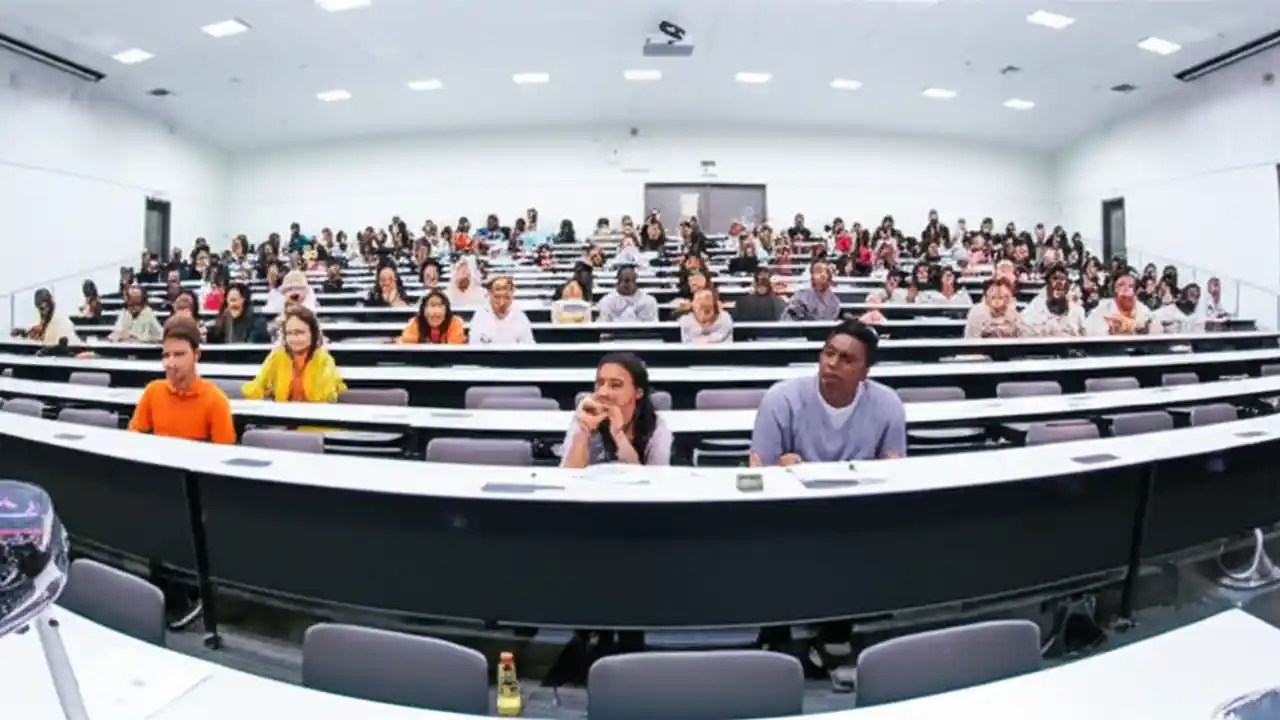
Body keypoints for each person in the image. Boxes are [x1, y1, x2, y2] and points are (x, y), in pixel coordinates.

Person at [749, 319, 906, 466]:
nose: (832, 363)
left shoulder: (888, 405)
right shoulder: (781, 401)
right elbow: (760, 471)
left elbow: (894, 471)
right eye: (829, 353)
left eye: (847, 359)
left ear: (864, 372)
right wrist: (778, 467)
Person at [127, 316, 235, 444]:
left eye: (179, 354)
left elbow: (223, 455)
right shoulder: (152, 392)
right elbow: (133, 443)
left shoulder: (215, 401)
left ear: (196, 355)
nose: (170, 363)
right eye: (166, 355)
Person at [561, 352, 673, 467]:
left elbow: (654, 479)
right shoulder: (587, 413)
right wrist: (583, 431)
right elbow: (569, 475)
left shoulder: (656, 426)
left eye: (615, 385)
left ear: (638, 392)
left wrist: (618, 435)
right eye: (600, 384)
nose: (603, 392)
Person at [242, 306, 346, 402]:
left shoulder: (324, 361)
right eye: (289, 333)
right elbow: (257, 387)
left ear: (313, 333)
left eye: (300, 332)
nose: (294, 338)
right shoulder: (277, 356)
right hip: (282, 419)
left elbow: (325, 399)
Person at [1086, 270, 1161, 336]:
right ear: (1115, 289)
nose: (1126, 289)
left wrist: (1138, 329)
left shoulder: (1142, 310)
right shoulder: (1103, 309)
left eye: (1131, 286)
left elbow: (1157, 332)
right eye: (1121, 285)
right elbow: (1091, 334)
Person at [1020, 264, 1085, 336]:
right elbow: (1024, 325)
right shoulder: (1036, 306)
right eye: (1055, 278)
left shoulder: (1076, 311)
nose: (1059, 283)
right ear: (1048, 285)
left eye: (1062, 279)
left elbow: (1084, 336)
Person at [469, 276, 535, 344]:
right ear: (490, 294)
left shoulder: (521, 318)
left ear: (512, 295)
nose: (502, 303)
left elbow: (530, 347)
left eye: (507, 298)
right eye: (497, 297)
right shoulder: (479, 317)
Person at [398, 289, 467, 344]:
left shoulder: (454, 323)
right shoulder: (416, 323)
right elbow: (406, 345)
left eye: (439, 306)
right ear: (424, 311)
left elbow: (455, 348)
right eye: (432, 306)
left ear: (446, 311)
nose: (435, 312)